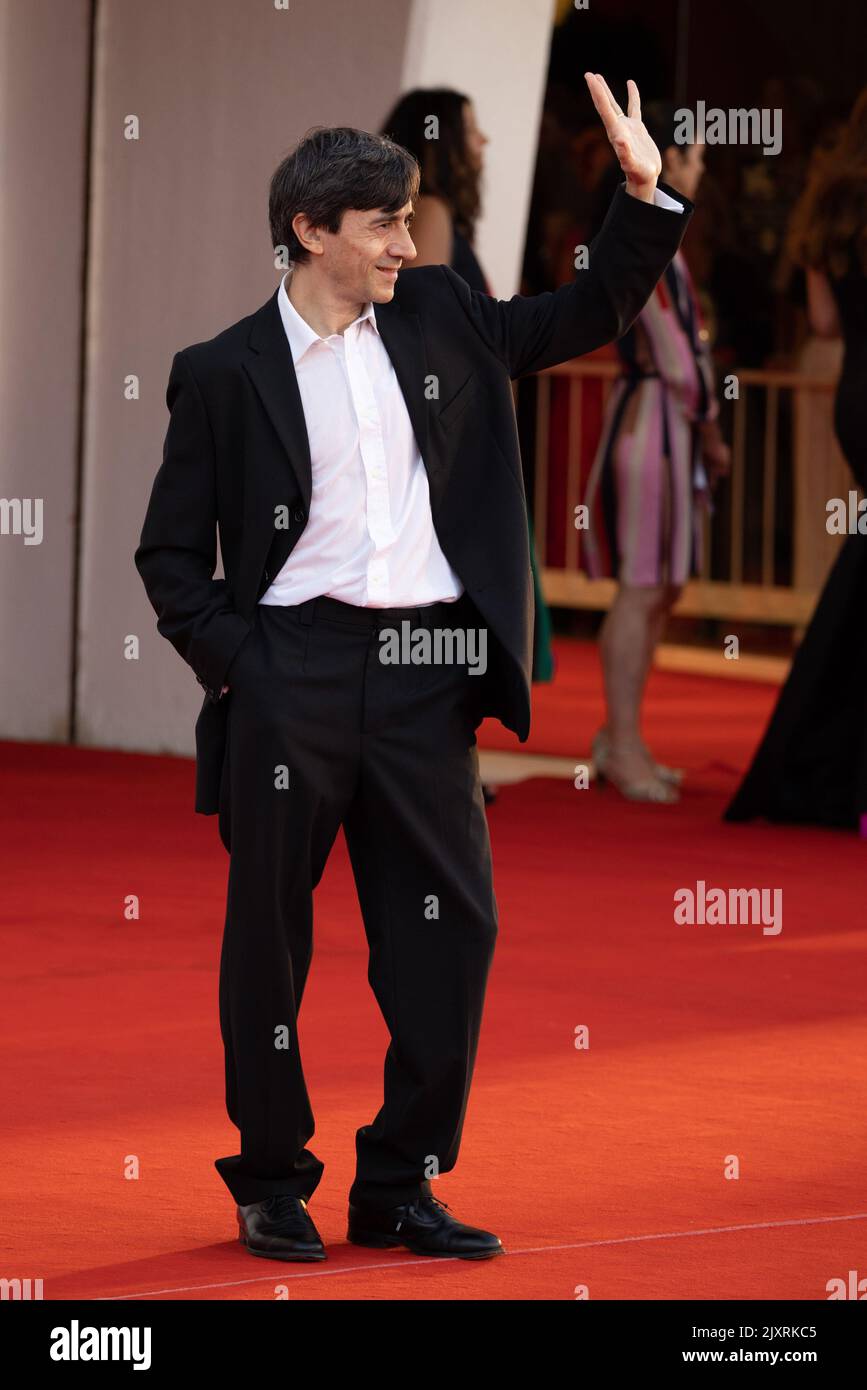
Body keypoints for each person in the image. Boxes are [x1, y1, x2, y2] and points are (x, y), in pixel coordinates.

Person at [134, 73, 691, 1264]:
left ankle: (401, 1179)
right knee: (270, 943)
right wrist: (250, 668)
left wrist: (642, 194)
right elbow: (170, 556)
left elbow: (587, 312)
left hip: (427, 672)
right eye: (382, 222)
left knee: (455, 933)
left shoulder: (444, 310)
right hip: (296, 673)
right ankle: (273, 1177)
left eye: (406, 217)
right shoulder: (224, 372)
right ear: (311, 231)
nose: (405, 239)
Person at [380, 88, 556, 714]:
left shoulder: (440, 212)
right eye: (472, 131)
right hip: (444, 445)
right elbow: (423, 332)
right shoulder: (428, 210)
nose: (483, 145)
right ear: (440, 141)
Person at [725, 88, 867, 832]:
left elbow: (821, 320)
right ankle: (814, 768)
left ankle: (814, 764)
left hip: (854, 395)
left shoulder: (832, 197)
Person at [581, 101, 729, 803]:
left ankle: (624, 739)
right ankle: (622, 743)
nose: (701, 166)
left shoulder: (660, 243)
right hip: (654, 428)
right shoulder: (655, 247)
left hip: (662, 425)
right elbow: (676, 357)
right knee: (642, 588)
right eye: (693, 154)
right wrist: (709, 428)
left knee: (658, 588)